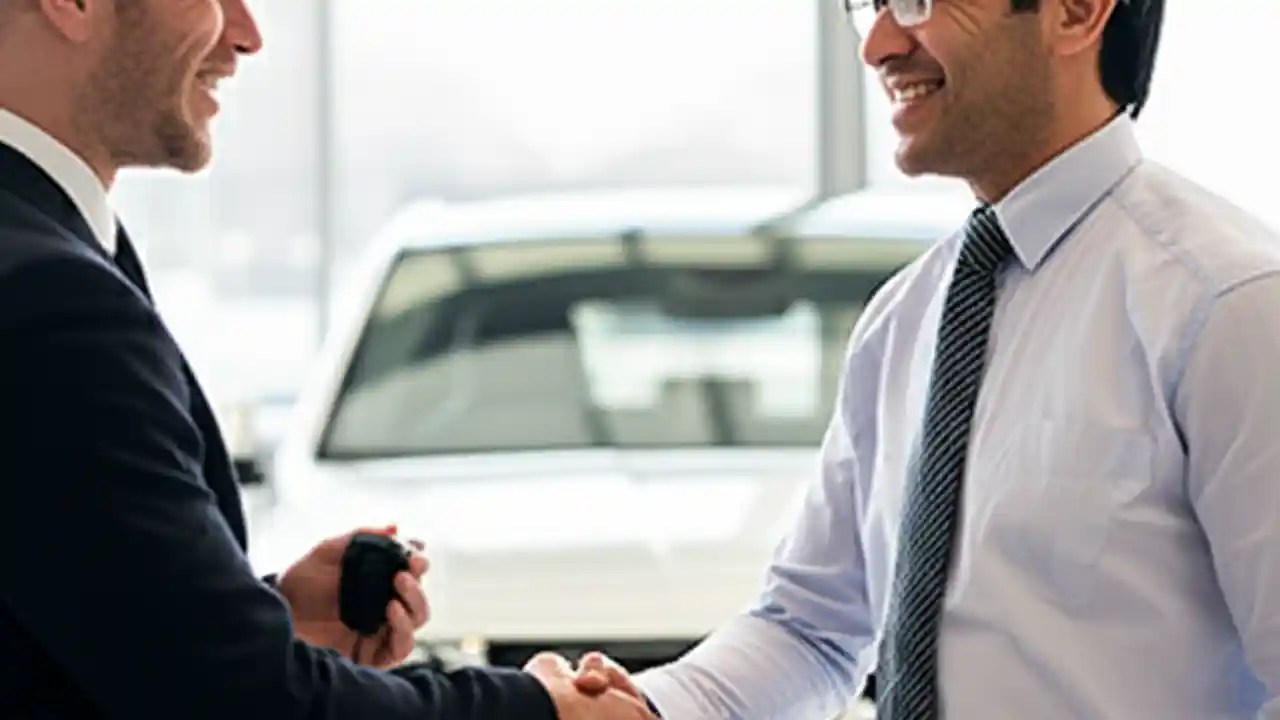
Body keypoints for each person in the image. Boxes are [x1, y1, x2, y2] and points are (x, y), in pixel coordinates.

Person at [565, 0, 1280, 717]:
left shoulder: (1229, 306)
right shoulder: (906, 316)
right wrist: (651, 707)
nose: (877, 45)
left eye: (916, 1)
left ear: (1076, 12)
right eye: (865, 6)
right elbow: (812, 629)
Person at [0, 1, 653, 718]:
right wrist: (544, 711)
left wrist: (266, 620)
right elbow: (234, 704)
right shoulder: (47, 294)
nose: (244, 34)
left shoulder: (43, 251)